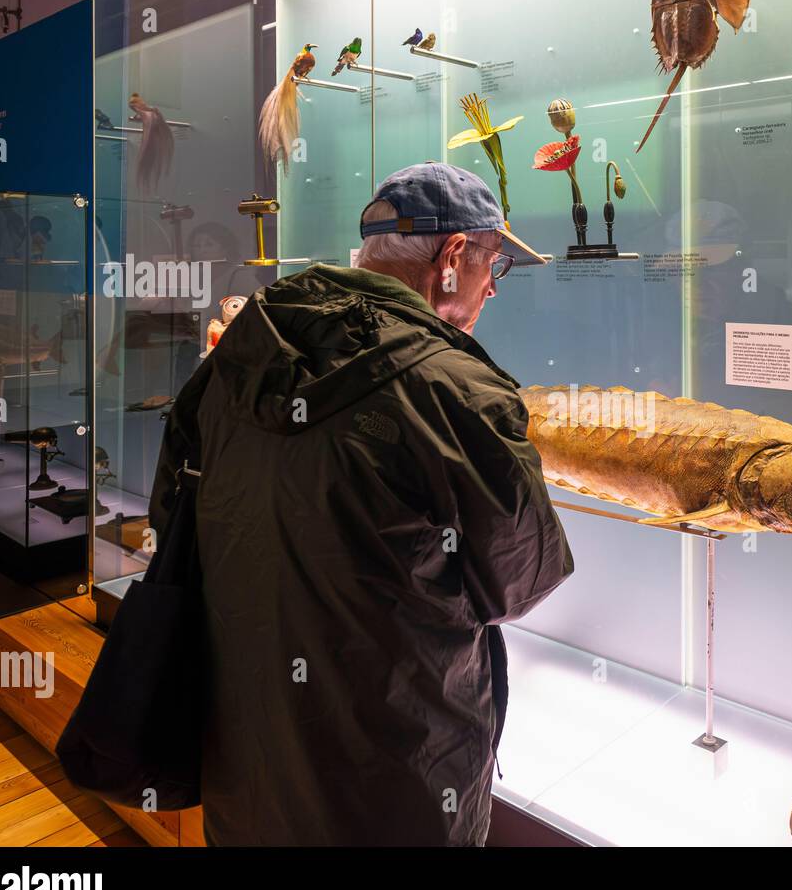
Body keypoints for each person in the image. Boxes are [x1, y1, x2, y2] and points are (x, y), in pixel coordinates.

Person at [148, 162, 574, 845]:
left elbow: (171, 519)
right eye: (496, 262)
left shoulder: (237, 356)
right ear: (453, 256)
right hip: (397, 785)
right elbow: (520, 583)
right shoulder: (458, 392)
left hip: (242, 762)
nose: (494, 285)